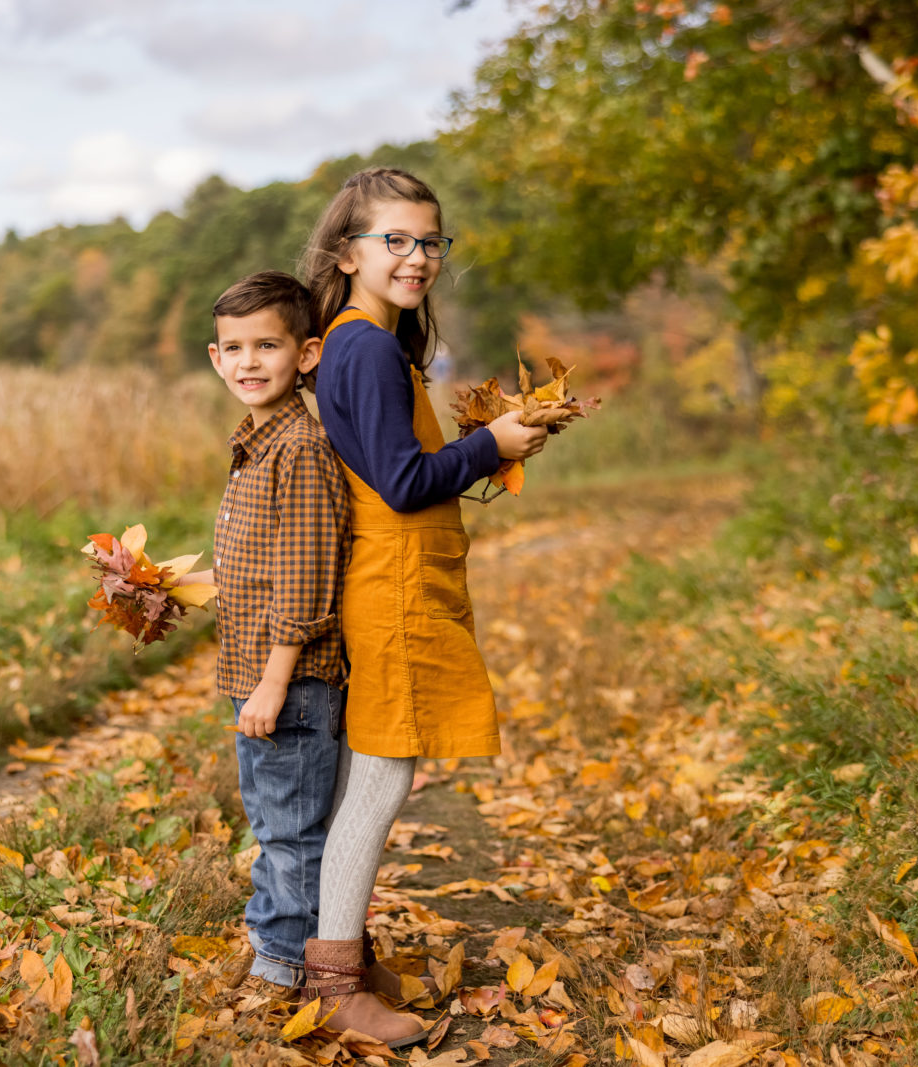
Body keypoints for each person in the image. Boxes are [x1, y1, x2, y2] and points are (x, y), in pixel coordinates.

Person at [295, 168, 548, 1046]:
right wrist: (489, 444)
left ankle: (342, 959)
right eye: (394, 239)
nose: (416, 256)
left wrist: (496, 444)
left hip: (408, 582)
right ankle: (330, 983)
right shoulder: (362, 344)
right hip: (394, 589)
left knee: (381, 773)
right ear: (347, 251)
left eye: (429, 240)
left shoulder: (371, 344)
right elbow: (402, 484)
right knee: (381, 774)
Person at [180, 271, 350, 1004]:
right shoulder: (257, 441)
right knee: (273, 819)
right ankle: (276, 946)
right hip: (261, 673)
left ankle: (284, 965)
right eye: (234, 348)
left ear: (306, 354)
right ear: (215, 358)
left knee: (290, 830)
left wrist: (276, 680)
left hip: (292, 679)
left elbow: (307, 582)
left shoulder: (300, 449)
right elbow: (260, 564)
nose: (249, 362)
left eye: (267, 345)